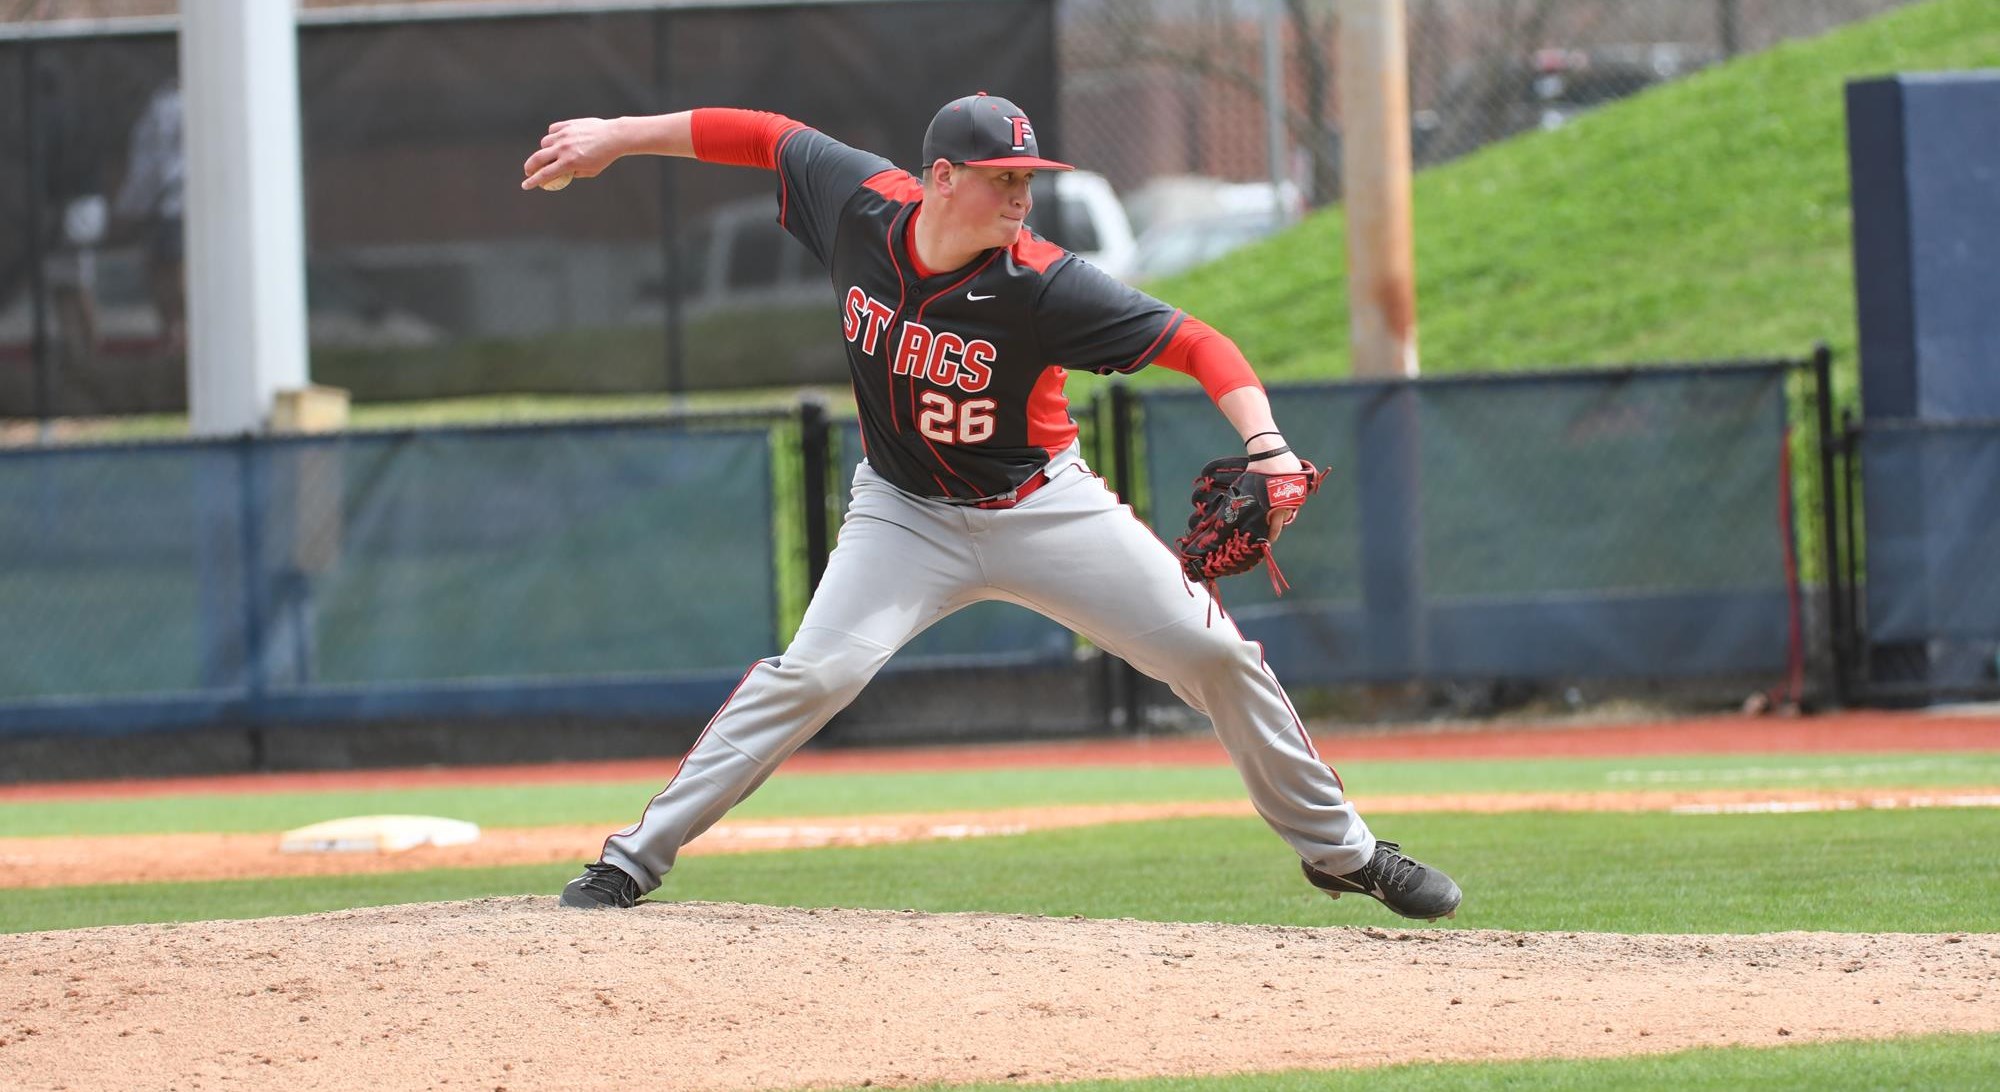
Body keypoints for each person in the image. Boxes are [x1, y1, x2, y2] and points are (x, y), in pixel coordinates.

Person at [521, 93, 1461, 922]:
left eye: (1028, 178)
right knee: (813, 676)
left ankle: (1346, 855)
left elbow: (1200, 344)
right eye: (1003, 177)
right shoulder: (859, 205)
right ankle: (629, 863)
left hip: (1042, 508)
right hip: (901, 513)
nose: (1022, 197)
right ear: (940, 177)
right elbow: (762, 135)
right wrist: (615, 136)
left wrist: (1267, 443)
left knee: (1215, 652)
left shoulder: (1045, 281)